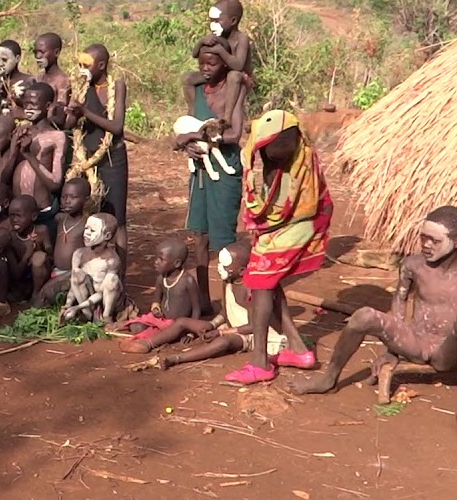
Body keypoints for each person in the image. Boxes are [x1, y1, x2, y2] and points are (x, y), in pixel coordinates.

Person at [290, 207, 457, 447]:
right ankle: (329, 379)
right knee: (364, 315)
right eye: (423, 237)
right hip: (416, 342)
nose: (426, 245)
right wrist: (393, 348)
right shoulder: (413, 265)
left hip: (447, 351)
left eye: (435, 240)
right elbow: (400, 298)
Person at [226, 110, 334, 386]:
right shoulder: (293, 155)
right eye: (270, 147)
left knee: (261, 283)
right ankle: (298, 350)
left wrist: (263, 227)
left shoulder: (296, 161)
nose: (277, 151)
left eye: (283, 143)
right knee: (269, 282)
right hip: (289, 226)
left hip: (296, 226)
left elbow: (292, 208)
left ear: (295, 138)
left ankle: (260, 363)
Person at [127, 240, 288, 369]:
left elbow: (255, 326)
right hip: (229, 327)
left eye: (225, 265)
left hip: (255, 336)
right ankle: (148, 343)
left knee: (224, 343)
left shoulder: (252, 291)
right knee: (182, 322)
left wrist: (221, 333)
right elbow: (226, 312)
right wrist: (212, 325)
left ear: (241, 271)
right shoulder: (228, 282)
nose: (219, 267)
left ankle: (176, 359)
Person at [178, 42, 247, 316]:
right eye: (202, 64)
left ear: (225, 64)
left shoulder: (234, 90)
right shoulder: (196, 90)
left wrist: (195, 137)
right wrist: (188, 144)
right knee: (200, 236)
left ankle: (231, 307)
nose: (206, 69)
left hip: (225, 170)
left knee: (224, 240)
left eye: (212, 64)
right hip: (200, 170)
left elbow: (234, 134)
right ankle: (205, 300)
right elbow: (188, 125)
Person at [66, 43, 129, 258]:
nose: (82, 70)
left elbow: (117, 127)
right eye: (80, 65)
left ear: (101, 66)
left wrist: (84, 111)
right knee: (89, 214)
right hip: (86, 160)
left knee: (116, 219)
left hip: (112, 160)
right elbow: (70, 124)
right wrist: (73, 110)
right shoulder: (82, 87)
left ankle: (119, 271)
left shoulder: (117, 86)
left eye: (87, 65)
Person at [115, 238, 202, 352]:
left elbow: (196, 309)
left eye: (161, 259)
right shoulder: (161, 278)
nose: (156, 262)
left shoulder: (188, 281)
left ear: (177, 263)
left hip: (176, 324)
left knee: (168, 332)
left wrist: (191, 332)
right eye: (157, 258)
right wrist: (156, 308)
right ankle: (124, 326)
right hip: (159, 319)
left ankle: (145, 343)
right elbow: (156, 299)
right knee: (137, 327)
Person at [12, 83, 67, 228]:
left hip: (43, 211)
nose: (28, 108)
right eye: (26, 104)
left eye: (33, 104)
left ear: (48, 106)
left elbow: (55, 184)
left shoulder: (57, 137)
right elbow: (3, 176)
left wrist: (28, 154)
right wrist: (14, 149)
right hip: (17, 214)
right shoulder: (20, 132)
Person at [37, 176, 89, 306]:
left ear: (86, 200)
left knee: (46, 295)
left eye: (73, 197)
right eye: (64, 197)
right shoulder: (60, 219)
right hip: (55, 270)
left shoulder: (87, 224)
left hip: (73, 274)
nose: (67, 201)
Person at [202, 0, 256, 97]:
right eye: (211, 21)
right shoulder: (218, 36)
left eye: (216, 21)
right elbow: (197, 54)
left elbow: (238, 66)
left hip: (241, 78)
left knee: (233, 76)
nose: (212, 25)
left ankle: (229, 108)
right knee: (189, 78)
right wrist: (203, 42)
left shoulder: (241, 39)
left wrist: (220, 51)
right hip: (221, 76)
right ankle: (198, 106)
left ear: (233, 21)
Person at [8, 195, 52, 302]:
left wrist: (39, 247)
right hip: (21, 275)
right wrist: (28, 253)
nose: (14, 220)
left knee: (39, 257)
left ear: (34, 216)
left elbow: (50, 256)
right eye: (11, 216)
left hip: (40, 274)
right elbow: (16, 274)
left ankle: (36, 293)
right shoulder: (11, 237)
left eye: (18, 216)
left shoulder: (41, 231)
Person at [0, 39, 34, 118]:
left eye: (4, 60)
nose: (1, 64)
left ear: (17, 58)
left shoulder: (28, 81)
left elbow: (34, 107)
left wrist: (18, 99)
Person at [33, 32, 72, 109]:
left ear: (56, 53)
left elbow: (61, 109)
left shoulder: (62, 81)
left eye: (42, 52)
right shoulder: (39, 77)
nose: (38, 56)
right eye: (35, 52)